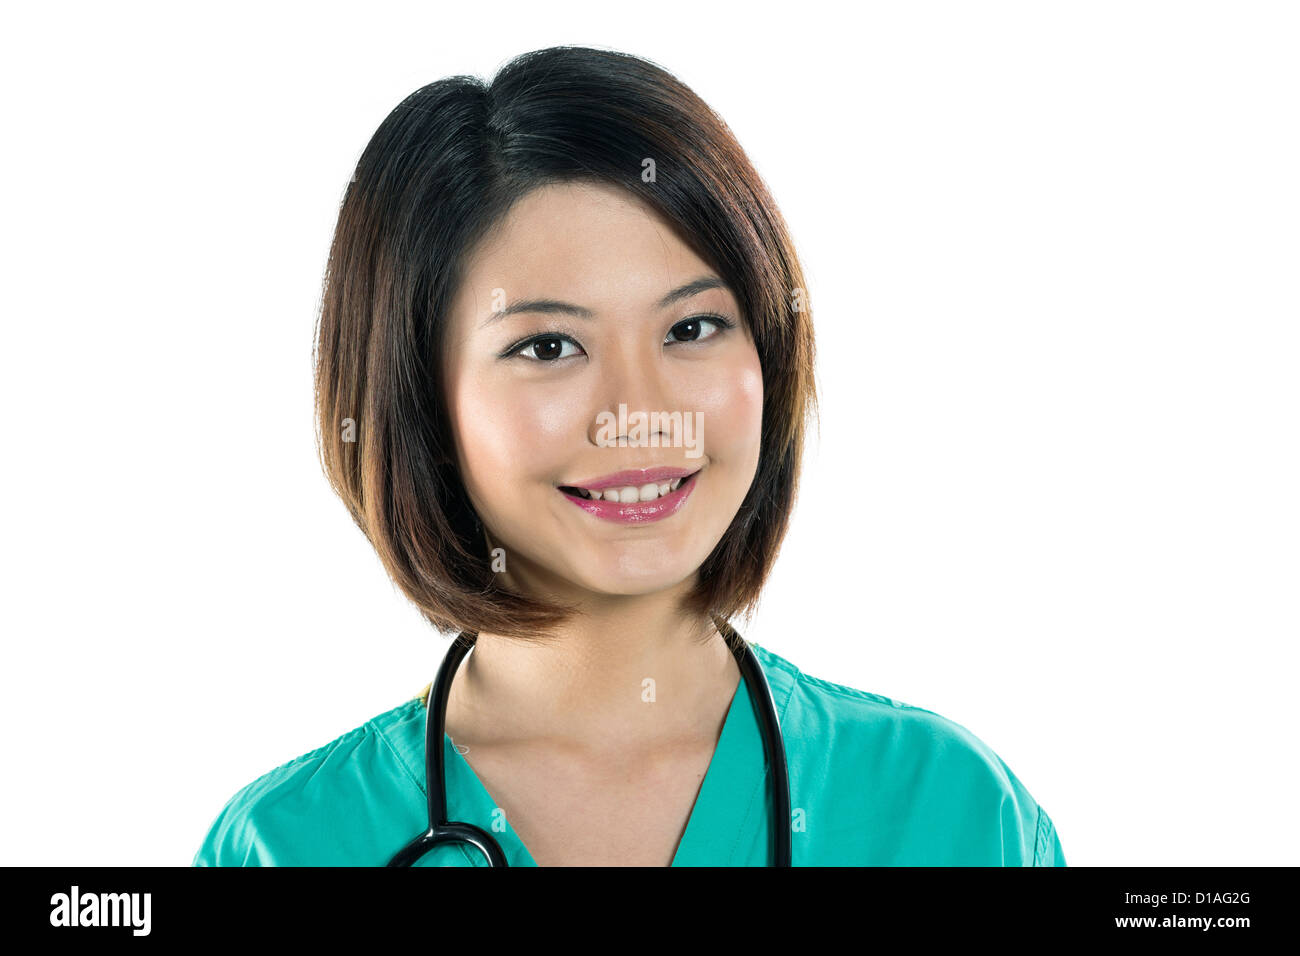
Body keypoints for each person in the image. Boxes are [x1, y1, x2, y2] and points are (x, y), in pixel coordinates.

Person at [193, 45, 1066, 867]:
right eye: (547, 347)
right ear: (418, 399)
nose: (639, 416)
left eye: (692, 328)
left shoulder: (955, 813)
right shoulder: (284, 845)